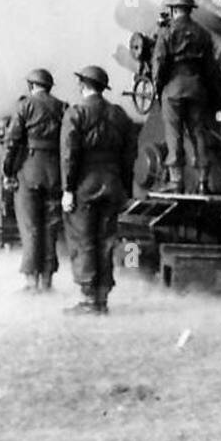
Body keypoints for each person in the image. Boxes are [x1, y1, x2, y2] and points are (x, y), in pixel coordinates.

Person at [60, 65, 138, 314]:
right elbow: (130, 155)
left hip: (85, 184)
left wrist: (68, 189)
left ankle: (88, 299)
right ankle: (103, 297)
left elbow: (69, 155)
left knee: (83, 240)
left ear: (82, 85)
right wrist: (125, 187)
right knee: (106, 240)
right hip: (112, 184)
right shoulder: (119, 115)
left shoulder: (76, 113)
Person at [1, 68, 66, 291]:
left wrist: (9, 171)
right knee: (51, 227)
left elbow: (13, 141)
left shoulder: (25, 105)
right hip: (55, 172)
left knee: (30, 227)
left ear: (31, 86)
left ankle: (31, 281)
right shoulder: (62, 107)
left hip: (29, 171)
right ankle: (47, 280)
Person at [152, 0, 217, 193]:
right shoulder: (203, 34)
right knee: (198, 133)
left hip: (173, 87)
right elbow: (210, 67)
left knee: (174, 132)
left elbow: (159, 62)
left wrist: (157, 85)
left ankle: (176, 181)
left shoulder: (167, 32)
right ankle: (203, 182)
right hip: (197, 88)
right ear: (190, 11)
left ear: (173, 10)